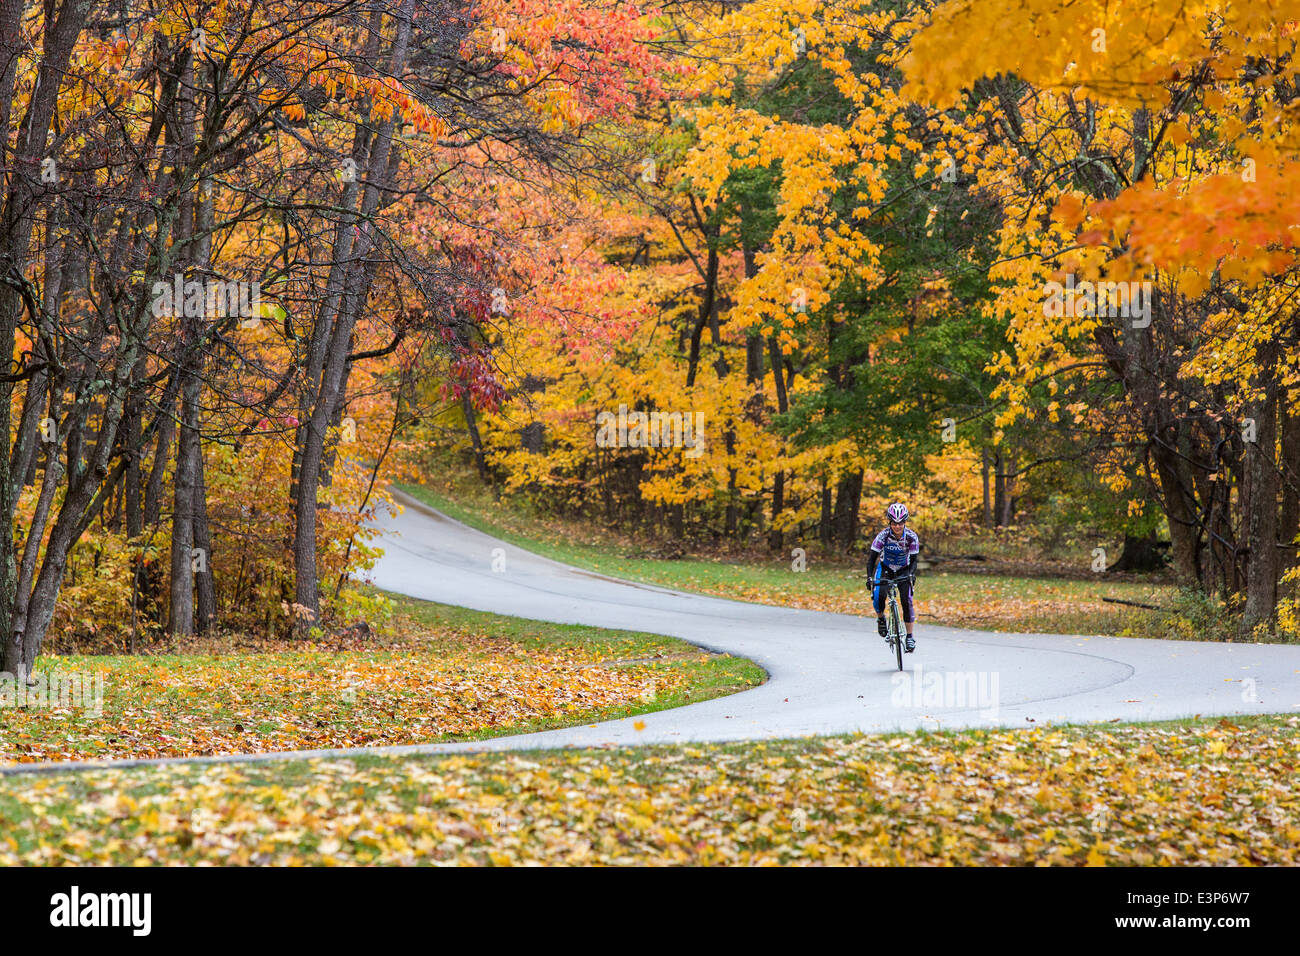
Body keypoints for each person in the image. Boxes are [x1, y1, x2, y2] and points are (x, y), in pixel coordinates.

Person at [866, 502, 920, 652]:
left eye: (900, 523)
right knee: (879, 595)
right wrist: (869, 578)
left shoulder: (911, 537)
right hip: (885, 568)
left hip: (904, 569)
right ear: (889, 522)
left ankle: (909, 637)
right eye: (894, 523)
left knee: (906, 600)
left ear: (905, 522)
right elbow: (871, 559)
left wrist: (911, 574)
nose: (897, 526)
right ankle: (881, 618)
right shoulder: (882, 536)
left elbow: (915, 560)